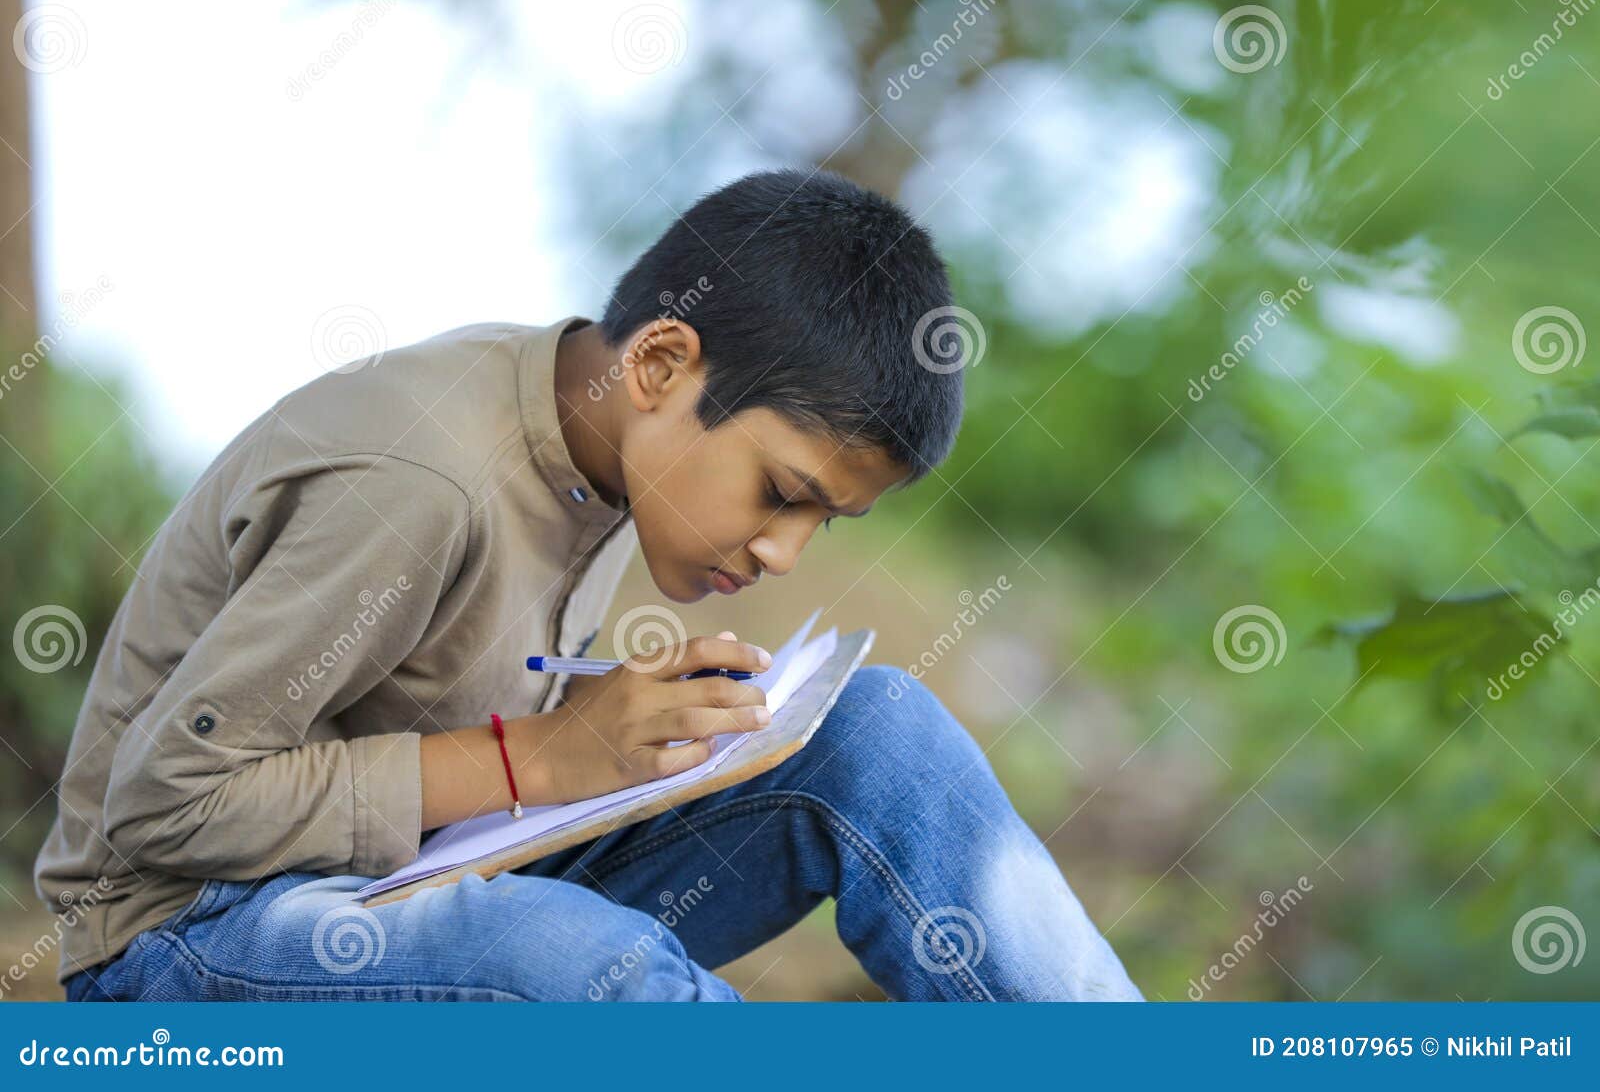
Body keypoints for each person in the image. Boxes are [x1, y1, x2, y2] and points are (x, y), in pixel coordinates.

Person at [37, 169, 1142, 1001]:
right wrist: (540, 756)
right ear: (661, 365)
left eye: (822, 519)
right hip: (181, 938)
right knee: (582, 965)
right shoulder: (422, 475)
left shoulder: (603, 447)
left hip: (423, 879)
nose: (781, 552)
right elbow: (168, 802)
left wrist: (610, 731)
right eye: (778, 491)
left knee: (879, 732)